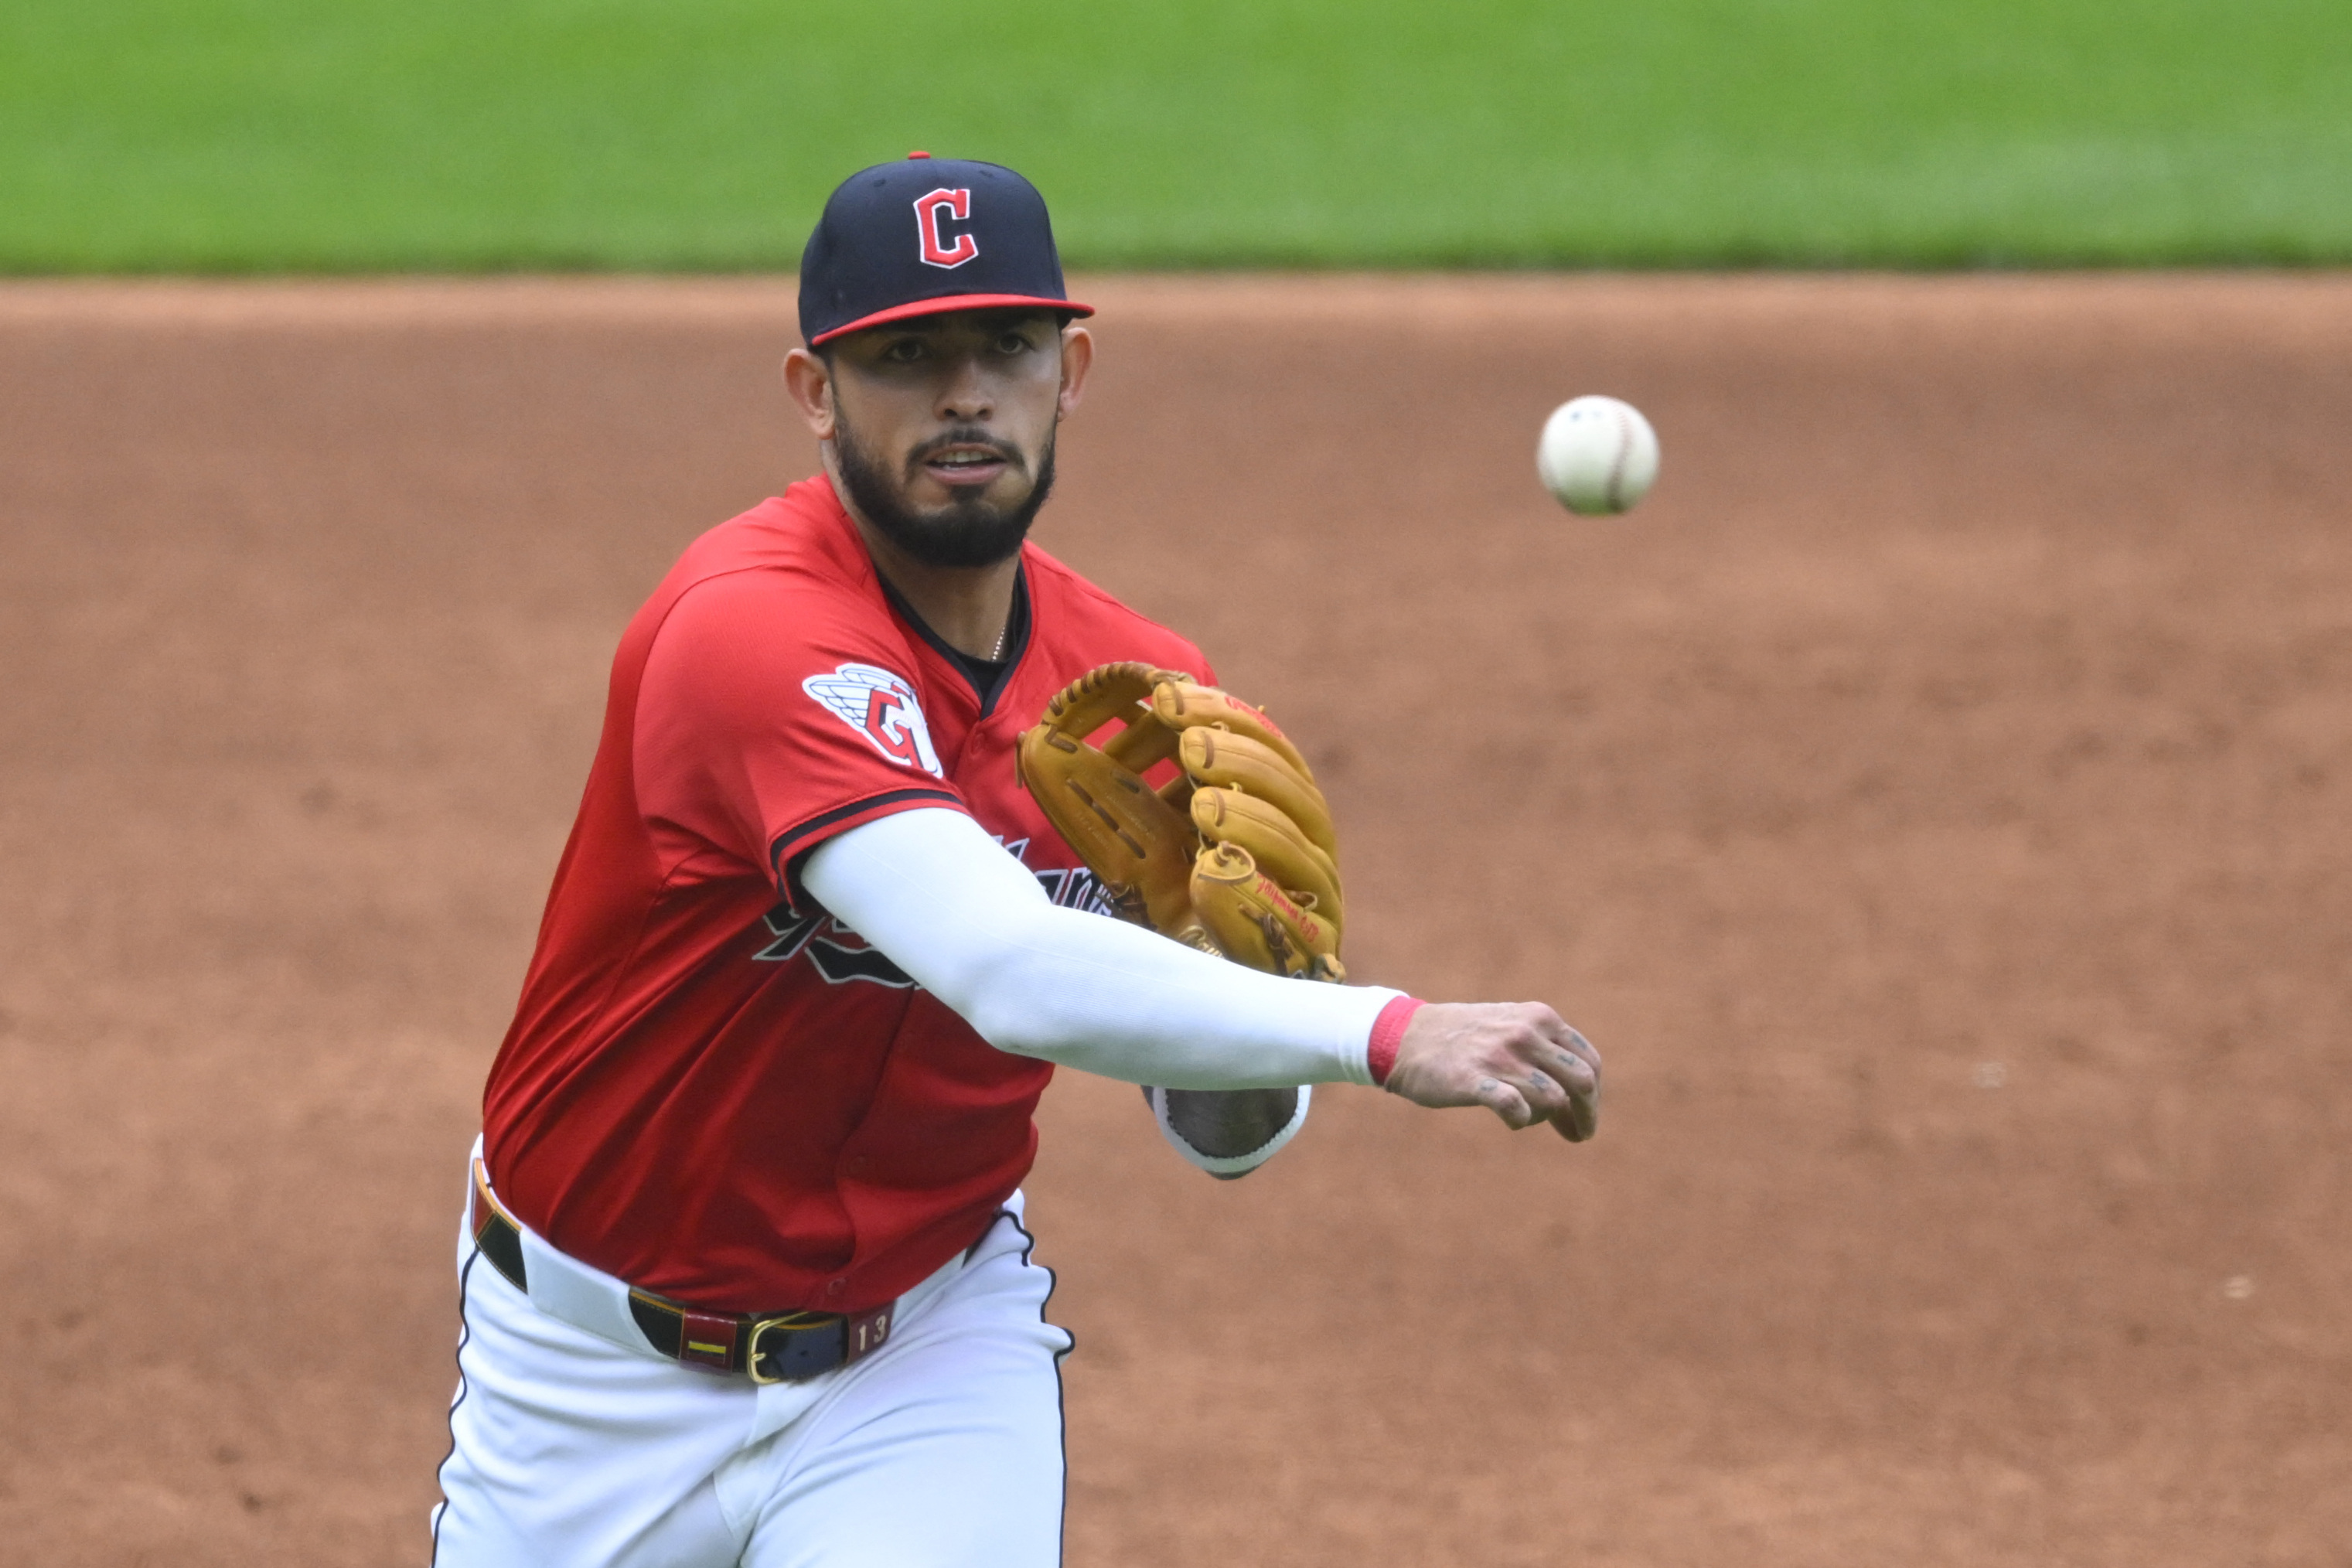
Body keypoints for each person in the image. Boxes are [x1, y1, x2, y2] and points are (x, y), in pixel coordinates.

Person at [431, 154, 1601, 1568]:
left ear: (1072, 368)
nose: (965, 394)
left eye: (1005, 346)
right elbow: (1007, 969)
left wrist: (1209, 975)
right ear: (817, 394)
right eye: (907, 357)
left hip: (924, 1355)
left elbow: (1229, 1140)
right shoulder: (746, 629)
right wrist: (1391, 1031)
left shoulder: (1139, 696)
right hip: (587, 1381)